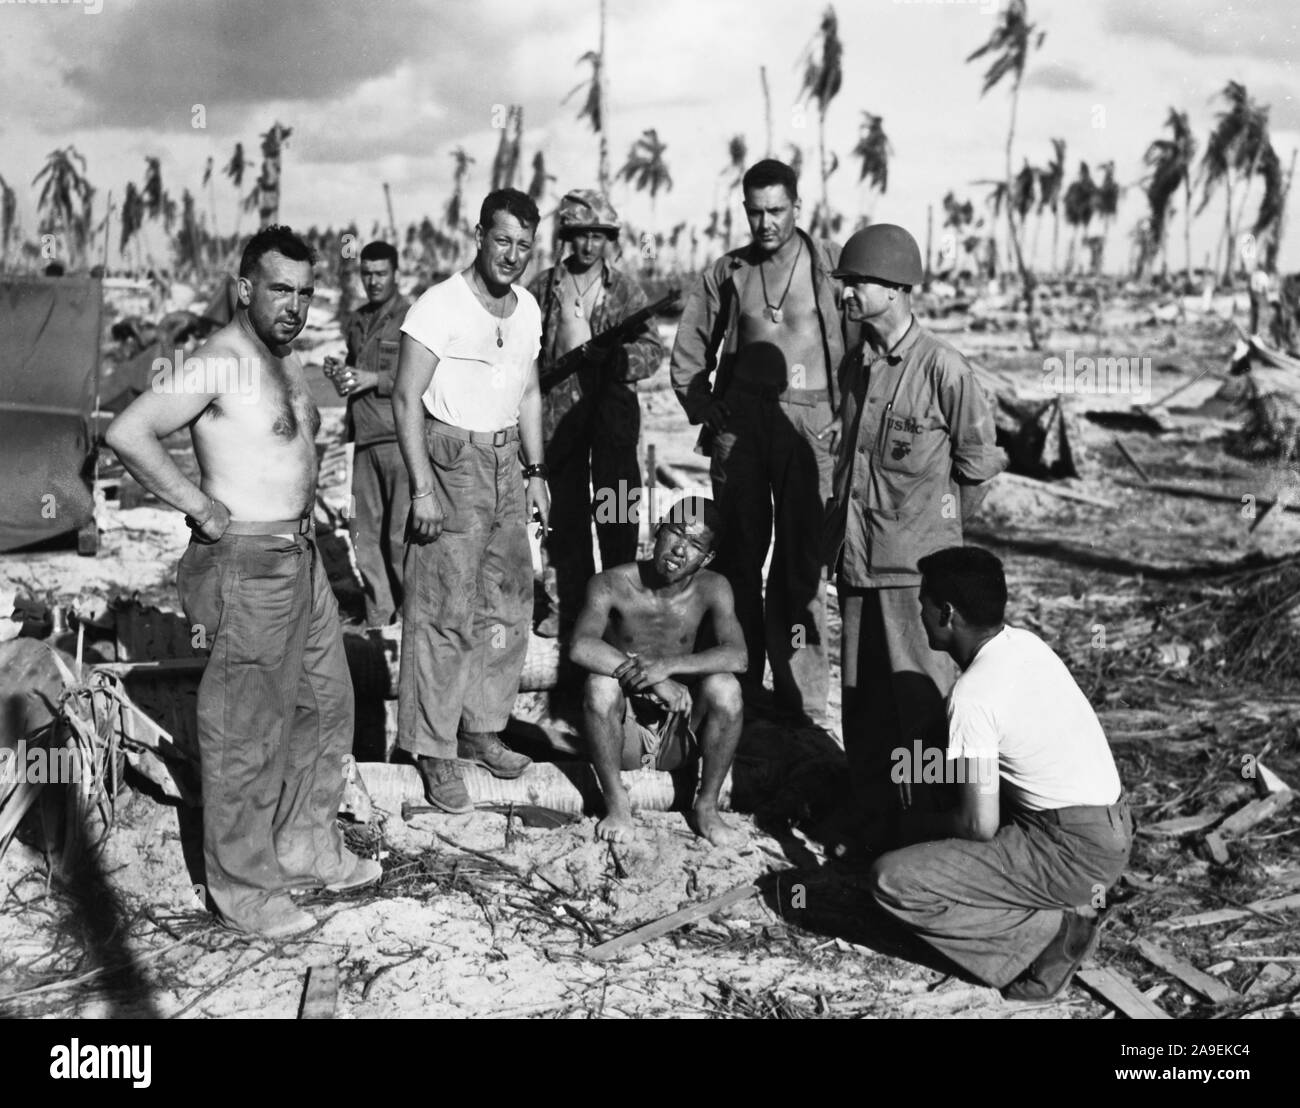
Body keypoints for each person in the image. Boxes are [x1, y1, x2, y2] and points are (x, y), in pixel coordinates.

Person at [105, 225, 380, 938]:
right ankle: (243, 888)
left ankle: (305, 842)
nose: (294, 304)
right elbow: (128, 432)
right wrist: (198, 505)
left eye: (306, 293)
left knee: (325, 700)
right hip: (249, 561)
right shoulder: (219, 361)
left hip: (304, 556)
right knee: (246, 727)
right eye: (281, 289)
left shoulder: (286, 361)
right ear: (245, 288)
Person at [869, 547, 1132, 1000]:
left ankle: (1051, 937)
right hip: (1108, 827)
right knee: (936, 755)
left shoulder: (974, 696)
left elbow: (978, 825)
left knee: (892, 880)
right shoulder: (1023, 643)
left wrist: (914, 829)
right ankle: (1054, 904)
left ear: (947, 613)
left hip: (1071, 852)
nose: (919, 612)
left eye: (923, 603)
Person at [823, 223, 1005, 848]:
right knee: (864, 706)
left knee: (924, 712)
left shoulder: (943, 369)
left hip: (916, 581)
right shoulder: (856, 365)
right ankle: (872, 821)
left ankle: (928, 833)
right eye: (844, 282)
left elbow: (979, 464)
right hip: (856, 566)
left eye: (857, 283)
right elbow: (847, 464)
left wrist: (942, 542)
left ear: (897, 290)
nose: (846, 292)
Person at [671, 159, 853, 724]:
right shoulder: (729, 272)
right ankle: (740, 683)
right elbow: (690, 346)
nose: (766, 222)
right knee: (740, 560)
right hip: (742, 423)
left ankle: (801, 703)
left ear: (798, 207)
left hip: (811, 420)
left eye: (777, 210)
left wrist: (846, 416)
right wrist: (704, 403)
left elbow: (862, 345)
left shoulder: (829, 266)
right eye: (756, 212)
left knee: (801, 567)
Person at [392, 189, 549, 814]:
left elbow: (531, 392)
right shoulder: (439, 306)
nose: (512, 255)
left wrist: (536, 471)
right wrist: (423, 488)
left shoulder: (530, 309)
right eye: (503, 240)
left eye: (524, 246)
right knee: (442, 610)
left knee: (509, 607)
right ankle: (432, 749)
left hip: (508, 462)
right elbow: (405, 399)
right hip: (451, 464)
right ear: (479, 235)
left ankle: (481, 727)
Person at [569, 496, 747, 847]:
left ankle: (707, 807)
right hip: (624, 734)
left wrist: (668, 667)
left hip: (680, 731)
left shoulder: (713, 588)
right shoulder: (611, 584)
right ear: (657, 531)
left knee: (726, 688)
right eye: (676, 533)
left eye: (695, 544)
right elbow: (580, 646)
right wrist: (651, 678)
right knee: (599, 686)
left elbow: (738, 657)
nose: (680, 549)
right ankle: (617, 802)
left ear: (707, 558)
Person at [526, 189, 663, 637]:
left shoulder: (624, 289)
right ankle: (568, 606)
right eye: (579, 235)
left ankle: (620, 610)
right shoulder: (543, 288)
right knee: (563, 517)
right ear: (566, 236)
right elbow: (522, 353)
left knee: (618, 513)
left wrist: (615, 359)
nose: (588, 245)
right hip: (557, 420)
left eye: (598, 236)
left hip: (612, 422)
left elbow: (651, 350)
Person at [324, 240, 411, 685]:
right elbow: (357, 371)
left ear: (396, 274)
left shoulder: (413, 317)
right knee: (363, 534)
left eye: (381, 273)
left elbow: (426, 375)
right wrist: (342, 374)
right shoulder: (358, 321)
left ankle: (411, 619)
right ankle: (380, 614)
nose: (374, 280)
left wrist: (374, 378)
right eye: (368, 273)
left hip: (400, 439)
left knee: (400, 538)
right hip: (364, 440)